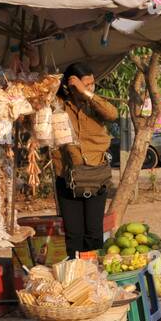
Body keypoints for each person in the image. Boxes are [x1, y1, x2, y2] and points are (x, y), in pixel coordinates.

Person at [51, 62, 118, 256]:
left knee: (93, 233)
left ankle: (93, 277)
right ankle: (76, 276)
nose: (90, 87)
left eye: (91, 84)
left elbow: (112, 114)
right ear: (71, 85)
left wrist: (86, 93)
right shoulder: (59, 104)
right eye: (85, 84)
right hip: (67, 177)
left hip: (95, 176)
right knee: (73, 234)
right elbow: (41, 98)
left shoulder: (95, 103)